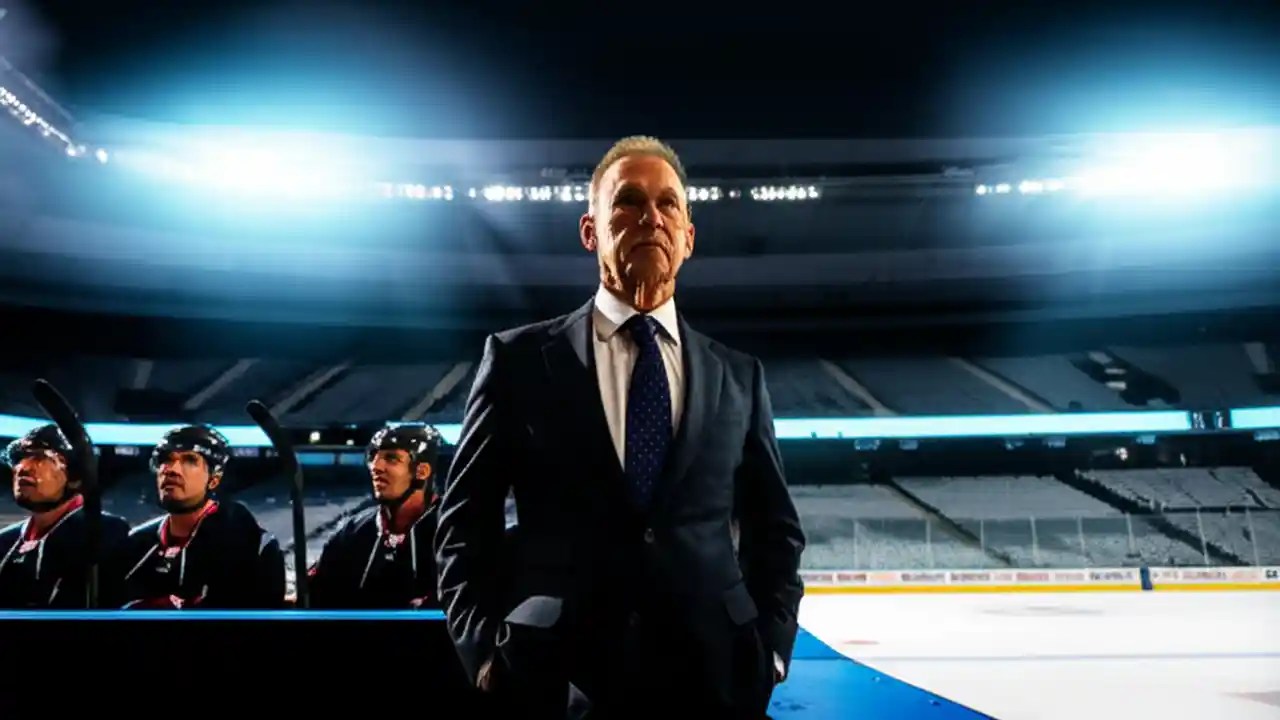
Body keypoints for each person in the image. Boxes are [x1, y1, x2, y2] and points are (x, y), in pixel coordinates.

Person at [434, 136, 806, 718]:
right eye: (628, 201)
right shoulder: (518, 361)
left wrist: (771, 650)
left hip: (717, 679)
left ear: (688, 235)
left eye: (668, 205)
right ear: (591, 231)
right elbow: (462, 525)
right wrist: (483, 653)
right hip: (554, 680)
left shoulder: (740, 376)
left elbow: (776, 533)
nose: (650, 217)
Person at [118, 424, 285, 609]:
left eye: (189, 460)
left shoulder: (253, 546)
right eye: (166, 459)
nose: (172, 469)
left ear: (214, 479)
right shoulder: (134, 544)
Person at [308, 423, 444, 609]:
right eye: (373, 457)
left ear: (422, 471)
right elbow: (317, 595)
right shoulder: (352, 533)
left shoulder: (457, 530)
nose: (376, 467)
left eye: (391, 458)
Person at [0, 424, 131, 608]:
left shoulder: (106, 532)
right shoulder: (4, 541)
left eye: (39, 457)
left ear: (76, 475)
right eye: (20, 458)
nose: (22, 467)